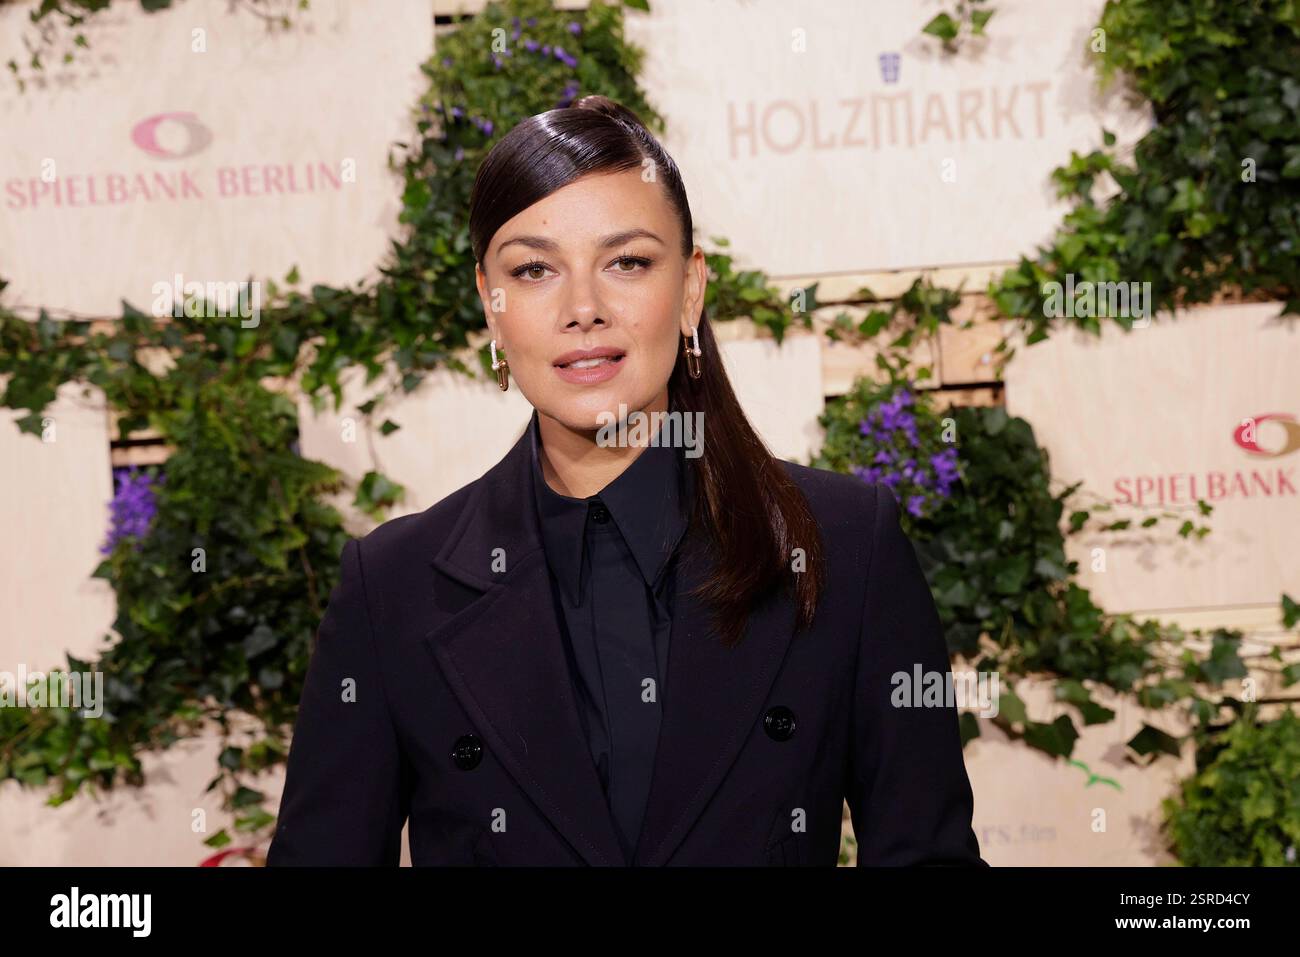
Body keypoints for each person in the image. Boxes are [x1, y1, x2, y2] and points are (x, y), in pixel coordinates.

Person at [267, 95, 986, 867]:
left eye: (628, 262)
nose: (583, 308)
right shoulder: (394, 587)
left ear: (690, 289)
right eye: (535, 269)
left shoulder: (845, 544)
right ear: (491, 304)